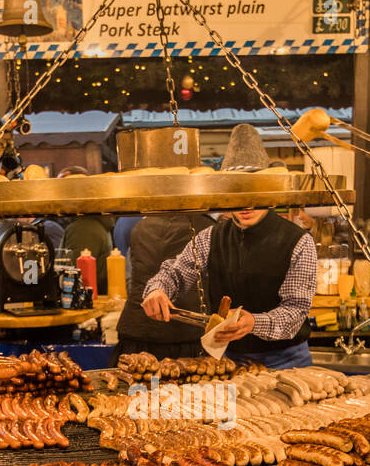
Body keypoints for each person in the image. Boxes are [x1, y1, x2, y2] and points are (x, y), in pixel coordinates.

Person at [141, 124, 317, 369]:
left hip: (285, 360)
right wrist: (157, 290)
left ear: (269, 192)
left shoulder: (298, 241)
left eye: (253, 194)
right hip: (228, 359)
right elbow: (175, 273)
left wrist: (254, 322)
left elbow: (295, 312)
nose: (245, 205)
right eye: (236, 193)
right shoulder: (210, 237)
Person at [115, 212, 215, 361]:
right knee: (178, 383)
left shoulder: (141, 226)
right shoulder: (209, 228)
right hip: (186, 337)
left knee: (144, 383)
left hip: (137, 329)